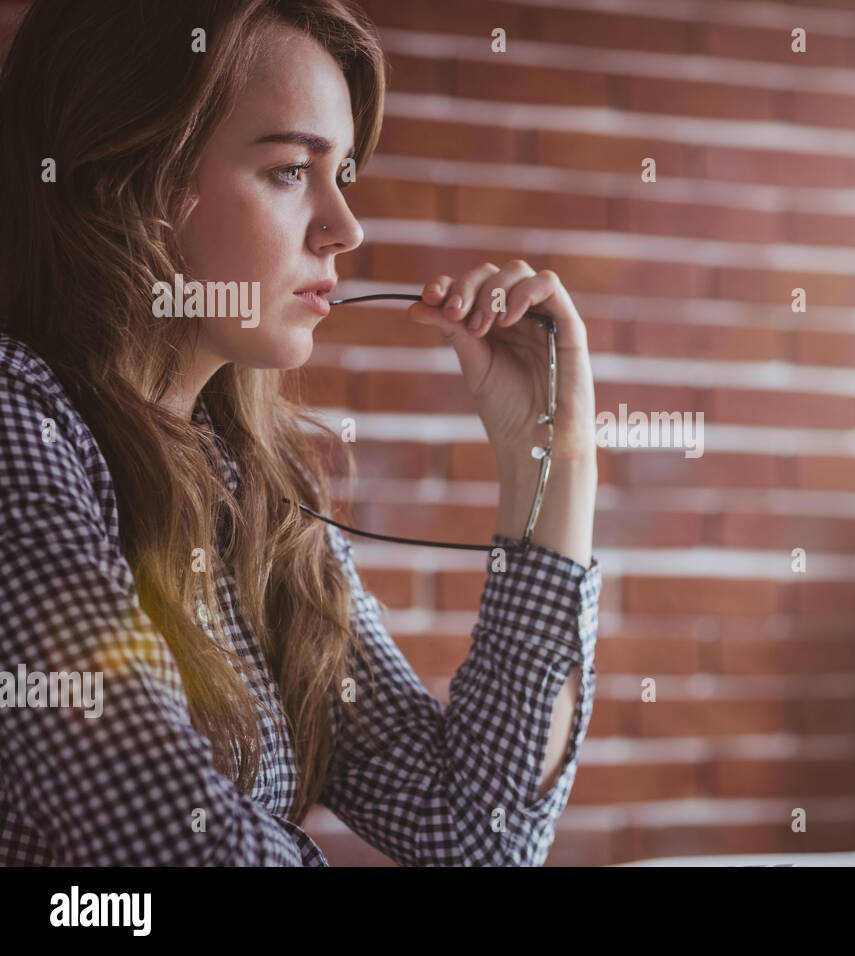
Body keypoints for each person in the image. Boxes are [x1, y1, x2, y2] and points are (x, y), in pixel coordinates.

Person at [0, 0, 600, 866]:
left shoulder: (257, 493)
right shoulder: (20, 427)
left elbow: (476, 831)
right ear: (127, 173)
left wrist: (554, 456)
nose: (345, 227)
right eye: (290, 170)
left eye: (342, 173)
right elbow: (165, 837)